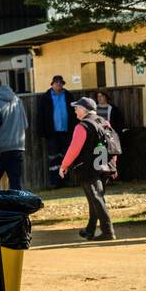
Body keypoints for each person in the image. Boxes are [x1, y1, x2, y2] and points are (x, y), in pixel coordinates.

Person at [59, 96, 118, 241]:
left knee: (96, 198)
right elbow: (112, 145)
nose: (75, 111)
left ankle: (108, 231)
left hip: (89, 167)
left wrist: (64, 165)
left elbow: (74, 149)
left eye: (77, 108)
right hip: (104, 165)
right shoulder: (104, 122)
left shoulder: (82, 126)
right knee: (96, 197)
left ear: (84, 110)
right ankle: (90, 230)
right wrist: (114, 166)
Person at [38, 75, 75, 188]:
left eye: (61, 83)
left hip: (66, 131)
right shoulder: (45, 97)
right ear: (52, 84)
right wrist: (41, 131)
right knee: (53, 158)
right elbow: (40, 116)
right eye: (56, 82)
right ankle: (54, 182)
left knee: (66, 157)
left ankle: (65, 180)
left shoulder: (68, 96)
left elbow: (74, 114)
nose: (59, 84)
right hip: (52, 132)